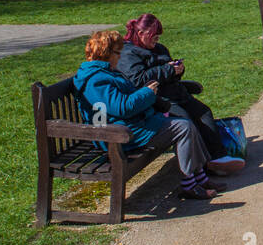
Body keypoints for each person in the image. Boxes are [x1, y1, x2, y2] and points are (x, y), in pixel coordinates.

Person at [73, 30, 223, 201]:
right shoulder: (95, 80)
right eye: (117, 52)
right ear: (105, 53)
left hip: (128, 126)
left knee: (184, 123)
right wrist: (147, 93)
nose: (120, 57)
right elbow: (122, 107)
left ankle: (200, 179)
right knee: (183, 127)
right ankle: (190, 185)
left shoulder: (104, 72)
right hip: (118, 135)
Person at [117, 13, 244, 174]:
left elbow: (166, 72)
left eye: (157, 38)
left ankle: (218, 157)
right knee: (185, 120)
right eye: (154, 38)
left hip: (176, 94)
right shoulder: (128, 53)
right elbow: (138, 79)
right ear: (141, 34)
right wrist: (168, 69)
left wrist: (177, 70)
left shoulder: (159, 48)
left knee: (203, 112)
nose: (156, 42)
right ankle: (201, 167)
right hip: (156, 100)